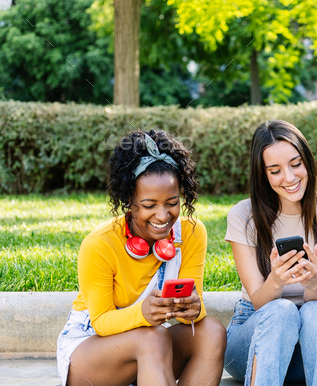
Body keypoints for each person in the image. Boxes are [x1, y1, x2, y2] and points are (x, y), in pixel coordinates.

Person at [56, 130, 226, 386]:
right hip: (91, 348)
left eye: (172, 202)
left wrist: (192, 308)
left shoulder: (191, 233)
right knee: (153, 337)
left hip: (152, 347)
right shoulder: (100, 243)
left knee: (211, 331)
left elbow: (191, 310)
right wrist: (143, 314)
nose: (163, 215)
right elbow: (101, 321)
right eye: (149, 205)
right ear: (129, 200)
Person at [223, 120, 317, 385]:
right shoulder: (243, 215)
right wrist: (277, 280)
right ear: (263, 175)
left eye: (296, 164)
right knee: (281, 310)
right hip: (252, 342)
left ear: (308, 162)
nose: (290, 177)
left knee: (316, 311)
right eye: (275, 170)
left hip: (307, 349)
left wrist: (312, 281)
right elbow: (260, 302)